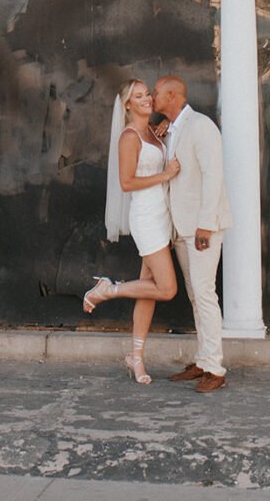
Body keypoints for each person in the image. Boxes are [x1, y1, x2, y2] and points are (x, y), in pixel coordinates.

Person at [82, 78, 180, 385]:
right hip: (147, 216)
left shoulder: (152, 130)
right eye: (138, 96)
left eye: (147, 93)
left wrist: (164, 124)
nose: (147, 98)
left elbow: (159, 143)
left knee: (148, 289)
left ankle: (136, 358)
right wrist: (164, 174)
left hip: (163, 213)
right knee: (167, 289)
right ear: (127, 105)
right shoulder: (128, 137)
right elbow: (127, 183)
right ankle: (109, 290)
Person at [152, 74, 232, 394]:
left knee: (204, 294)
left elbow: (214, 176)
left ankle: (215, 367)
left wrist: (206, 224)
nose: (154, 97)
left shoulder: (201, 126)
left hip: (201, 227)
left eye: (157, 93)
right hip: (182, 228)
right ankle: (202, 360)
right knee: (196, 296)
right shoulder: (172, 128)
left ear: (172, 96)